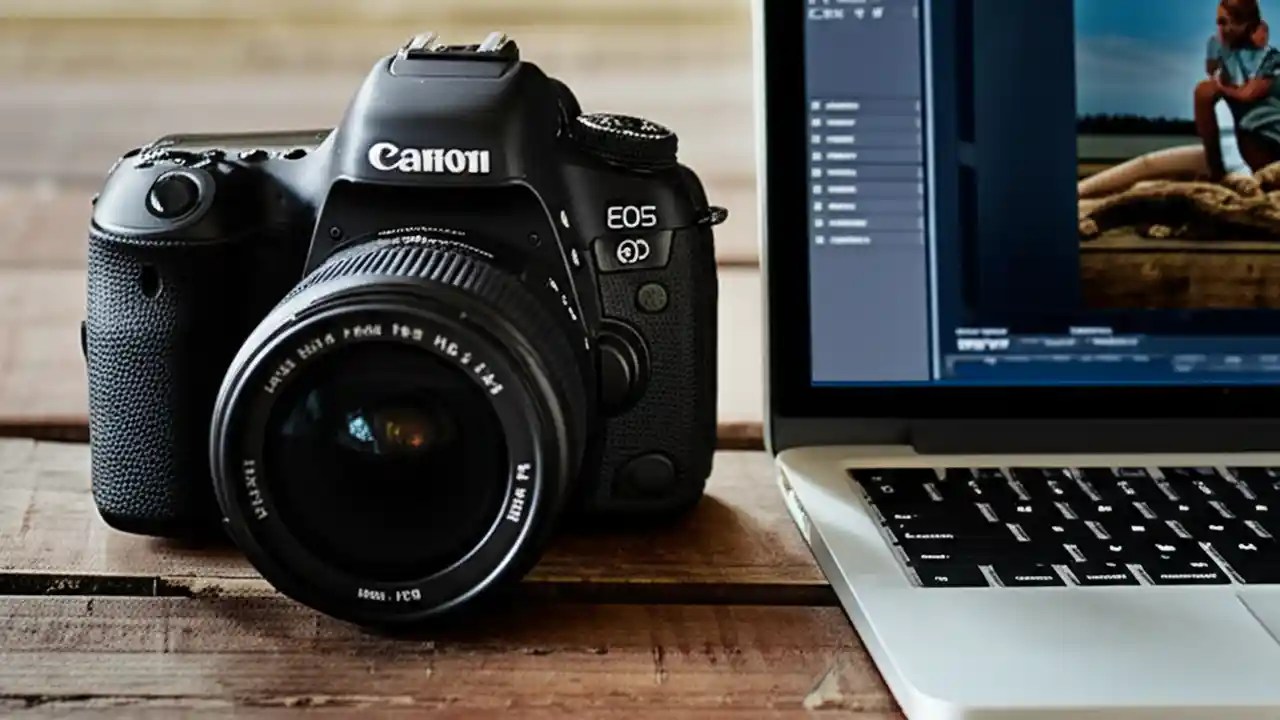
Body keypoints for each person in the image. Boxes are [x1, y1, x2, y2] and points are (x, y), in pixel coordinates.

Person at [1194, 0, 1280, 178]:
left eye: (1225, 22)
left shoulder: (1270, 58)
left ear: (1245, 24)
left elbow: (1249, 94)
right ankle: (1216, 172)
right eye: (1218, 22)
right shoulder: (1224, 49)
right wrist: (1215, 46)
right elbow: (1211, 70)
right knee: (1203, 93)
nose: (1220, 28)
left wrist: (1223, 88)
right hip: (1248, 130)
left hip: (1270, 135)